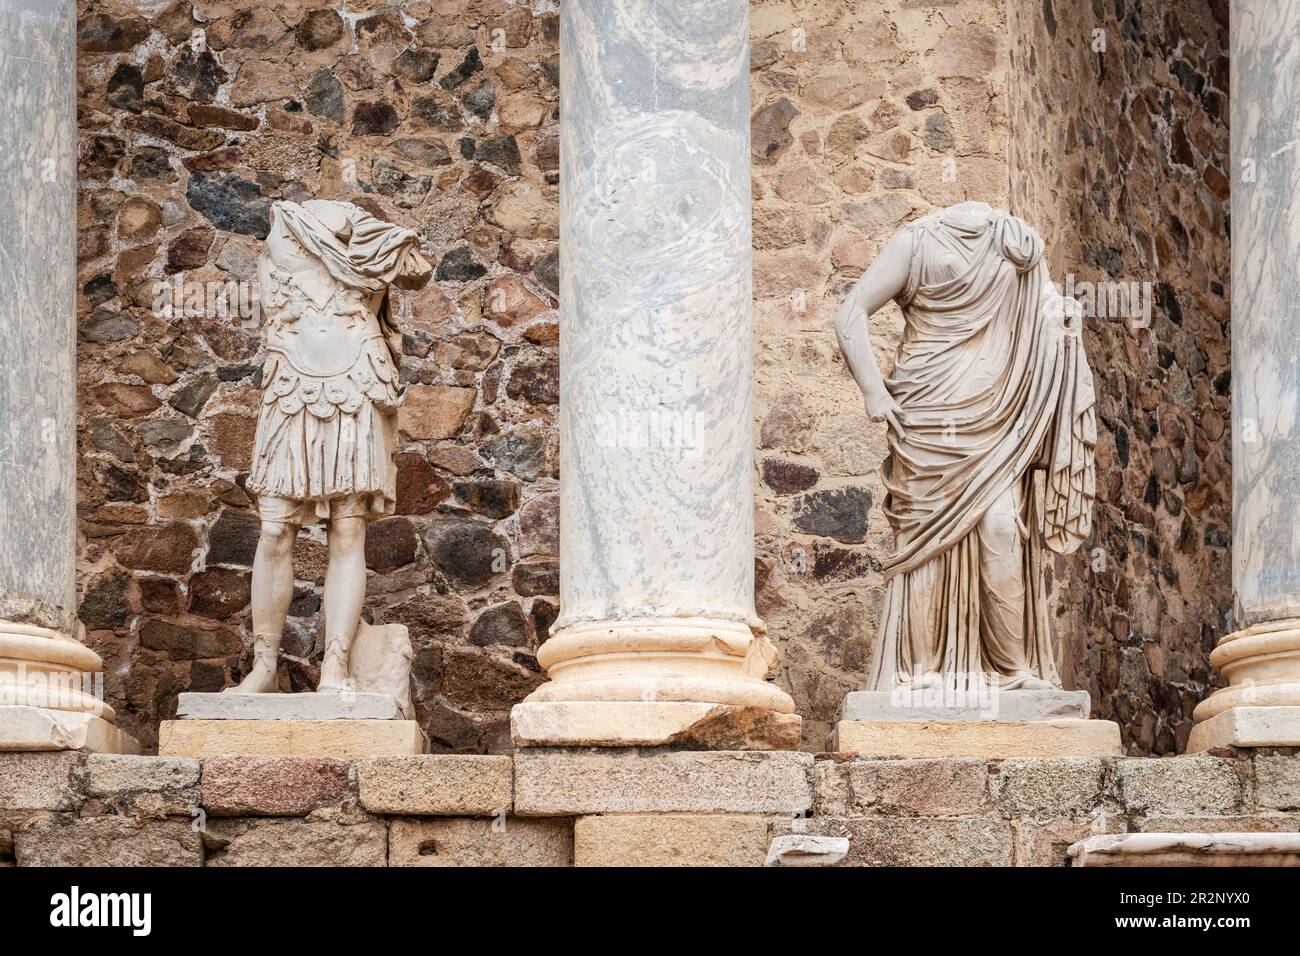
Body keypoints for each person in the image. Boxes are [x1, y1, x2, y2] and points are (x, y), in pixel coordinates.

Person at [832, 201, 1096, 696]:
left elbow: (1047, 315)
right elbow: (850, 312)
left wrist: (1064, 318)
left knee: (1001, 529)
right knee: (924, 546)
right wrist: (873, 390)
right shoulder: (917, 241)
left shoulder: (1016, 243)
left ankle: (1012, 669)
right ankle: (920, 674)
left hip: (993, 415)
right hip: (928, 412)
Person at [225, 200, 430, 693]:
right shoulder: (283, 222)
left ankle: (336, 664)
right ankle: (264, 666)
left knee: (347, 529)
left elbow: (417, 272)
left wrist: (390, 239)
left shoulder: (375, 237)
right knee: (274, 529)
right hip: (290, 380)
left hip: (358, 378)